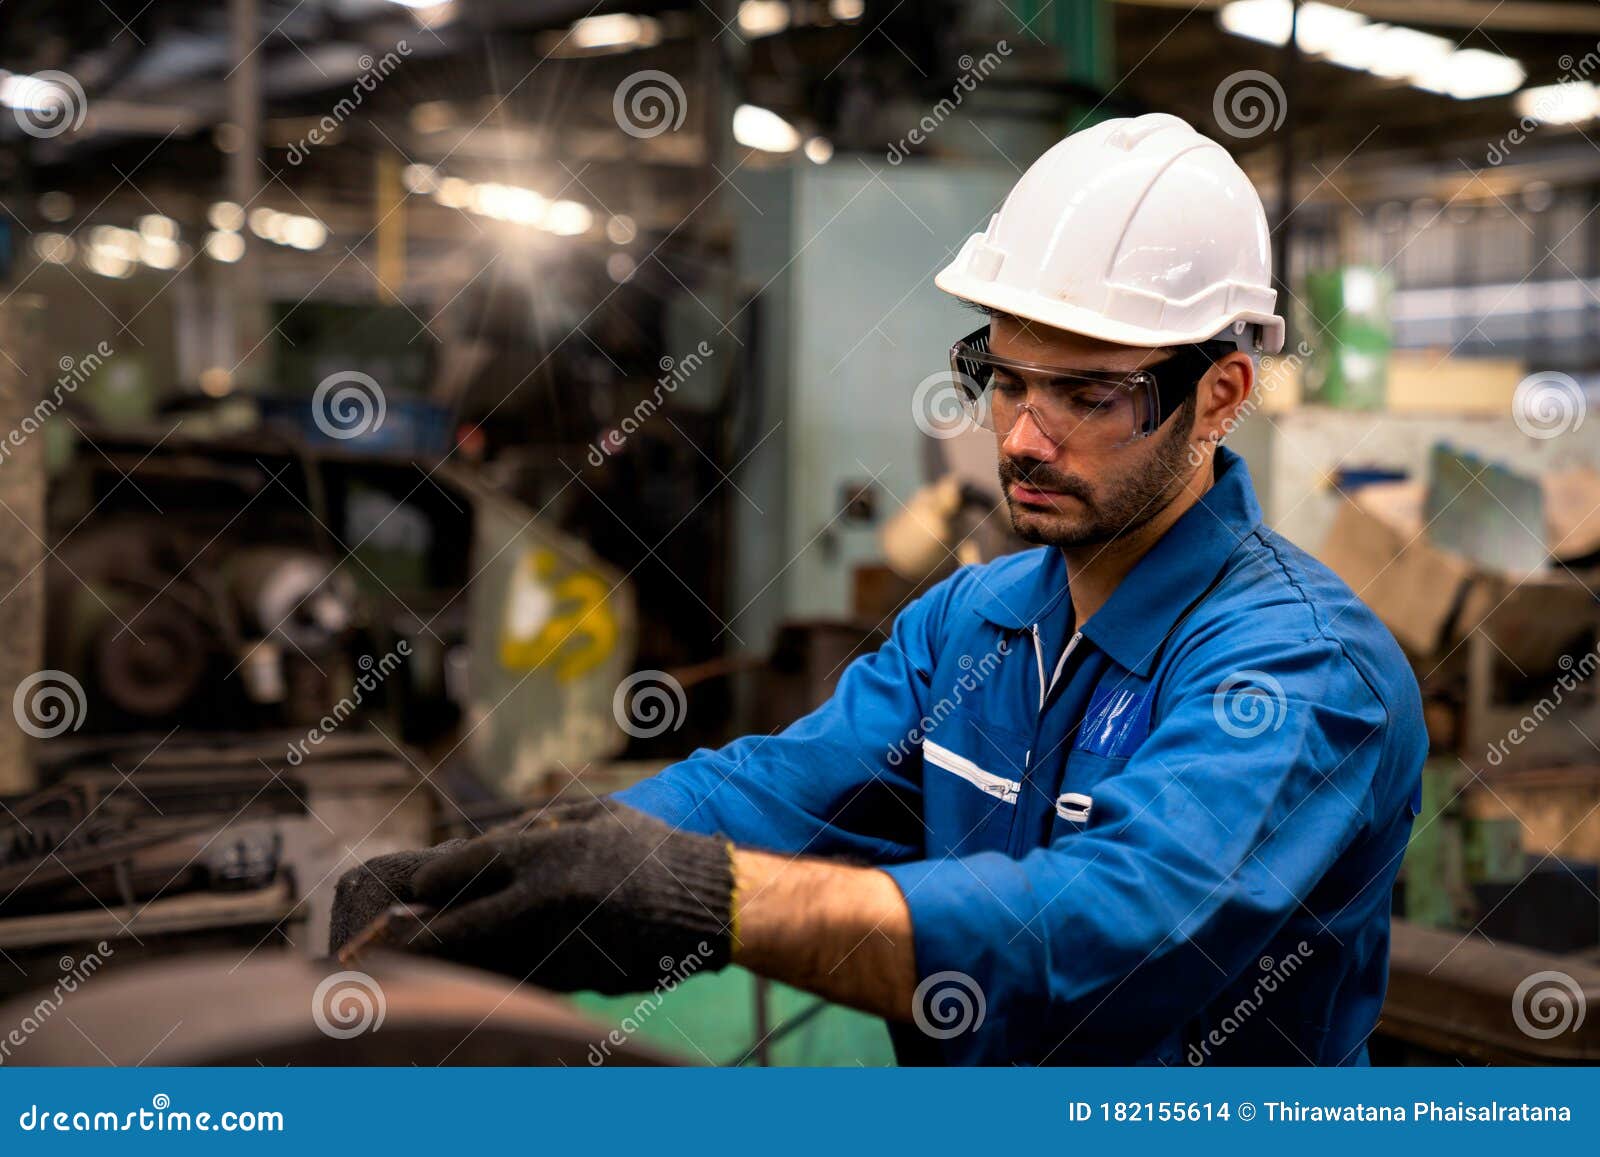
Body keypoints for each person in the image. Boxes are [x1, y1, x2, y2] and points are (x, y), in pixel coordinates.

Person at [331, 113, 1425, 1066]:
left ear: (1220, 394)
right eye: (1004, 379)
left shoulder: (1302, 667)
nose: (1023, 436)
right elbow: (777, 788)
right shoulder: (973, 621)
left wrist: (714, 901)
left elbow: (1121, 924)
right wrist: (525, 865)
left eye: (1091, 394)